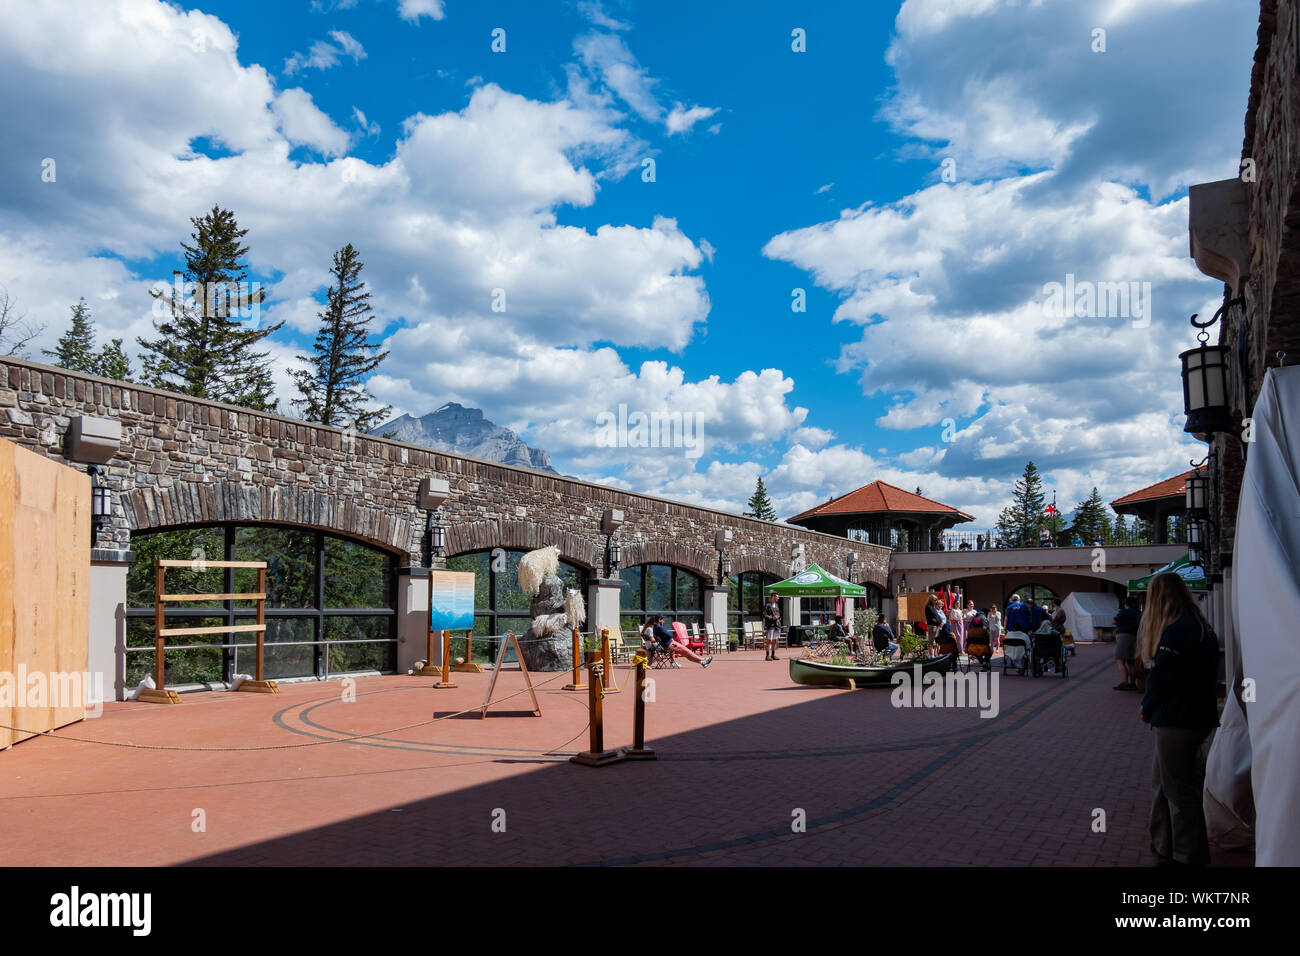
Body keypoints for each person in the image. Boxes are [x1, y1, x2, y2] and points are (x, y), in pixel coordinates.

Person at [1138, 573, 1220, 867]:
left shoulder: (1177, 632)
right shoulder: (1200, 628)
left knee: (1177, 789)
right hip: (1195, 715)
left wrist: (1147, 704)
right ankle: (1164, 843)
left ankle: (1187, 853)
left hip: (1178, 719)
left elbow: (1163, 677)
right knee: (1163, 783)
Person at [1113, 595, 1142, 690]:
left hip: (1123, 637)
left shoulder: (1124, 612)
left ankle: (1124, 682)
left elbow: (1114, 621)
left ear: (1126, 604)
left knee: (1120, 661)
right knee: (1131, 662)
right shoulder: (1139, 613)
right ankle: (1133, 683)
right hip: (1135, 637)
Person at [762, 592, 782, 661]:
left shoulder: (776, 605)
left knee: (774, 640)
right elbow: (764, 615)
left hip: (777, 625)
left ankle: (773, 655)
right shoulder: (767, 605)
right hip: (770, 625)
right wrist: (772, 618)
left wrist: (778, 617)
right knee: (769, 640)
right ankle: (767, 656)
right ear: (773, 597)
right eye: (777, 596)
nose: (778, 598)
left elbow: (778, 613)